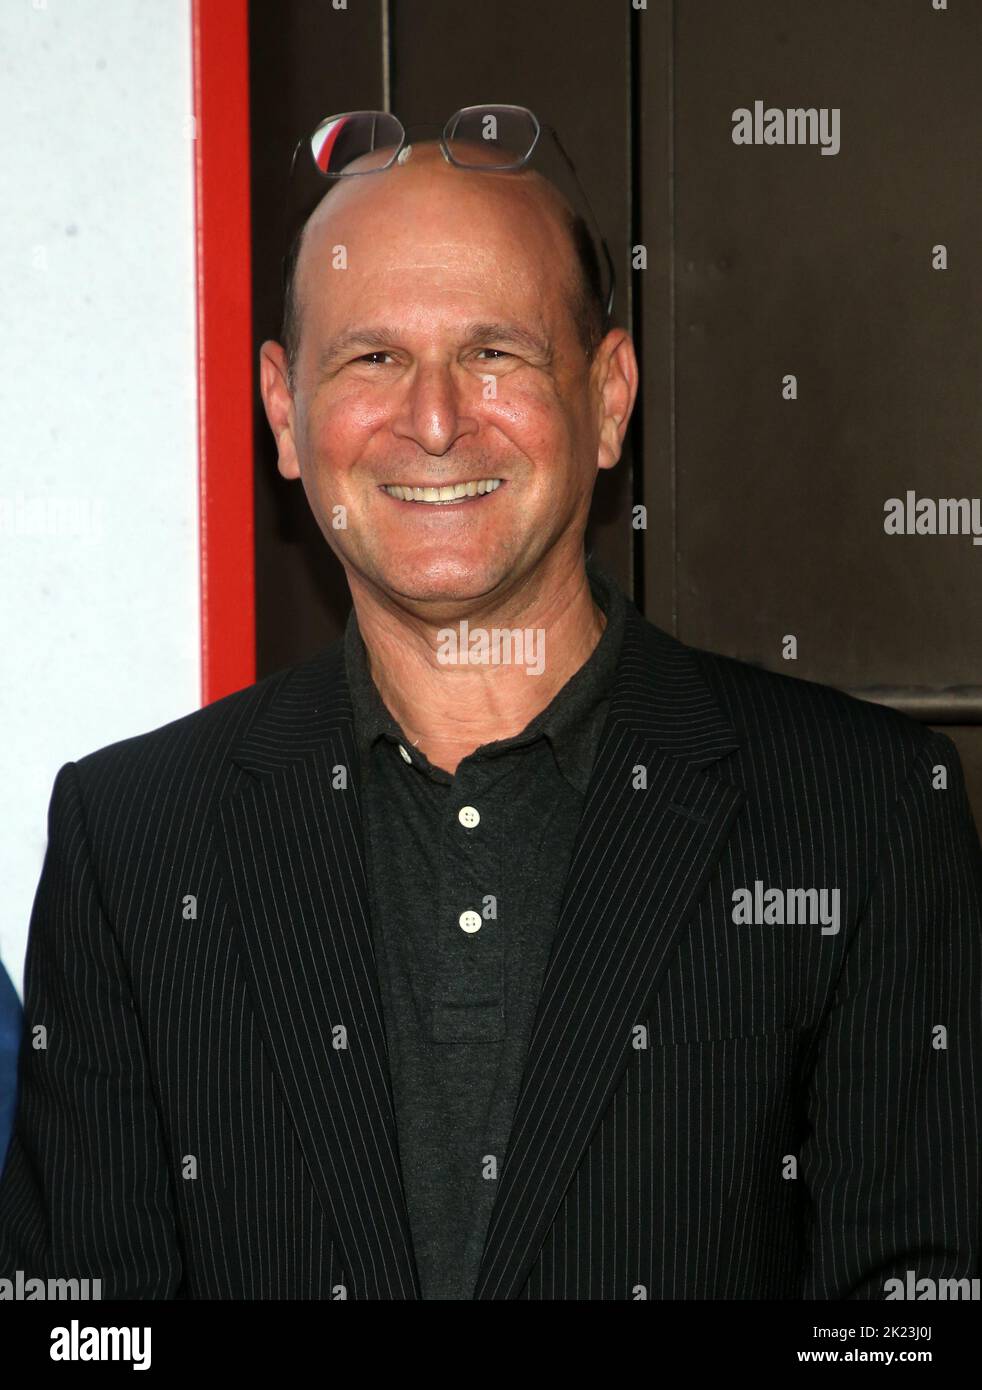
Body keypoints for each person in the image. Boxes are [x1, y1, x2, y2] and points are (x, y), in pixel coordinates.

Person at [0, 113, 979, 1301]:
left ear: (609, 396)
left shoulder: (861, 814)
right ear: (282, 410)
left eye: (496, 353)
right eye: (370, 358)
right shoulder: (135, 837)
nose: (431, 419)